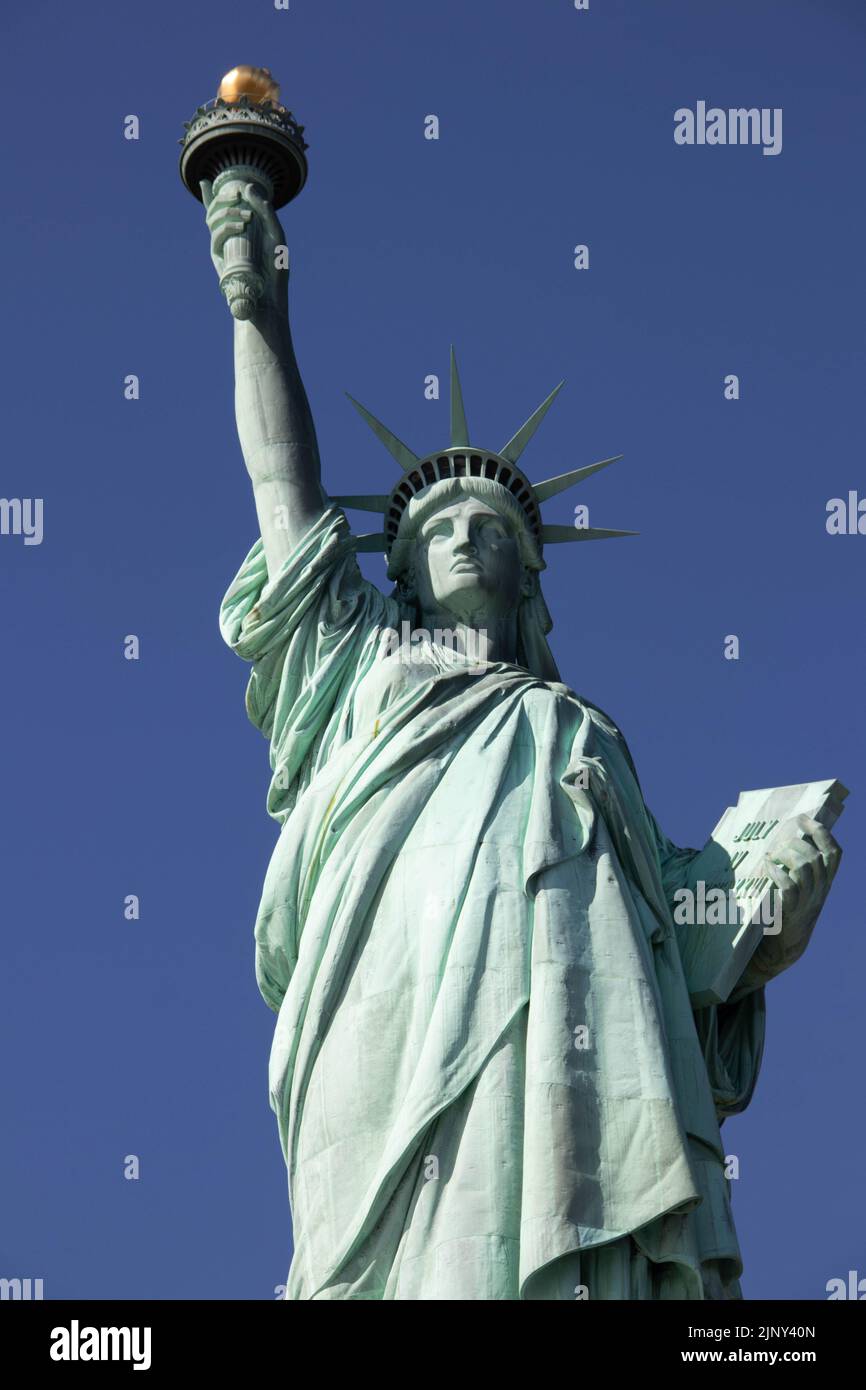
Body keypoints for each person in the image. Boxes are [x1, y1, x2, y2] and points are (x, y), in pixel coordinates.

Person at [204, 179, 841, 1300]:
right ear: (394, 575)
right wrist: (255, 306)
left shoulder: (575, 731)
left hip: (564, 1035)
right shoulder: (360, 671)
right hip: (380, 1008)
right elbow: (283, 492)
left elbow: (671, 924)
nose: (458, 539)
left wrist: (760, 895)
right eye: (434, 530)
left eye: (484, 528)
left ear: (525, 572)